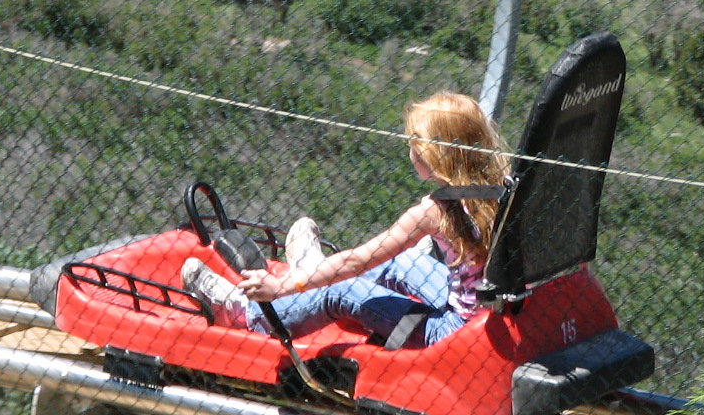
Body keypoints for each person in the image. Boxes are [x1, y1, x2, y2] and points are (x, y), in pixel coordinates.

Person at [180, 92, 507, 350]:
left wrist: (280, 286)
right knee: (401, 261)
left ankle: (250, 315)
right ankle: (311, 270)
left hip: (453, 335)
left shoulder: (434, 212)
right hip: (488, 314)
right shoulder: (504, 187)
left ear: (429, 154)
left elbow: (358, 261)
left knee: (340, 285)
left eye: (414, 145)